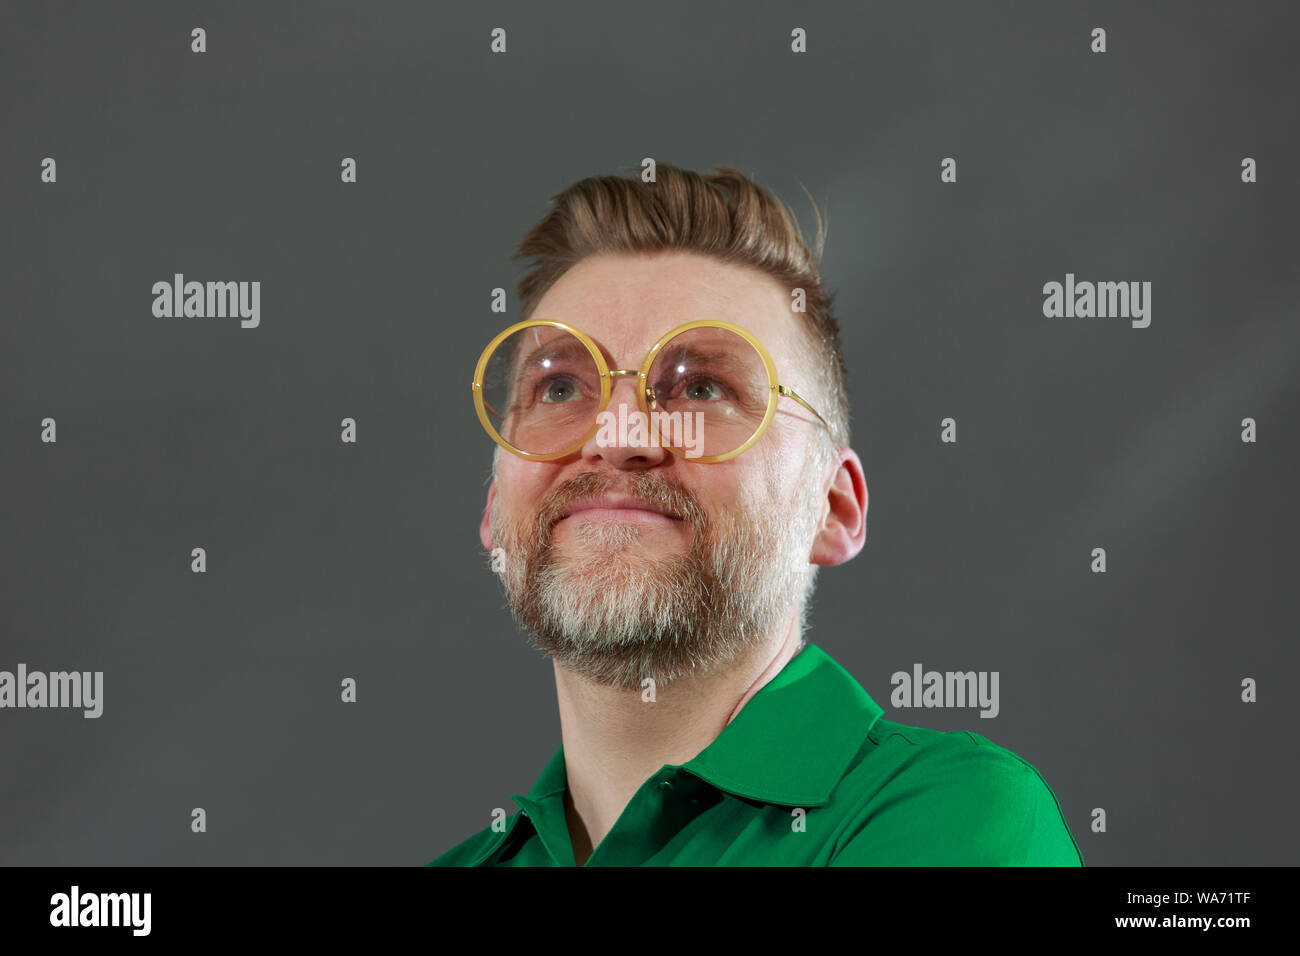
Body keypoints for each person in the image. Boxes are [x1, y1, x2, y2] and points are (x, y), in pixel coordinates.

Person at [428, 164, 1083, 866]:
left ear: (834, 507)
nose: (618, 436)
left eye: (702, 387)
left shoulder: (955, 814)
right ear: (497, 507)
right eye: (559, 387)